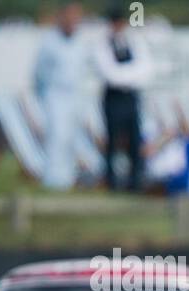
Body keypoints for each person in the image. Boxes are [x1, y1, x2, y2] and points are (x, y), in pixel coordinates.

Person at [94, 4, 152, 191]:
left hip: (131, 98)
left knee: (135, 140)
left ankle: (136, 182)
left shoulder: (133, 42)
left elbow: (146, 69)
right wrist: (131, 74)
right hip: (114, 98)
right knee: (113, 140)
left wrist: (126, 75)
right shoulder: (103, 44)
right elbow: (110, 75)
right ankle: (112, 182)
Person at [33, 2, 89, 190]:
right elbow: (39, 74)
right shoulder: (50, 42)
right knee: (56, 135)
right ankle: (53, 179)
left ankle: (67, 177)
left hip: (74, 95)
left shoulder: (80, 42)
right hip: (55, 95)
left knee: (70, 137)